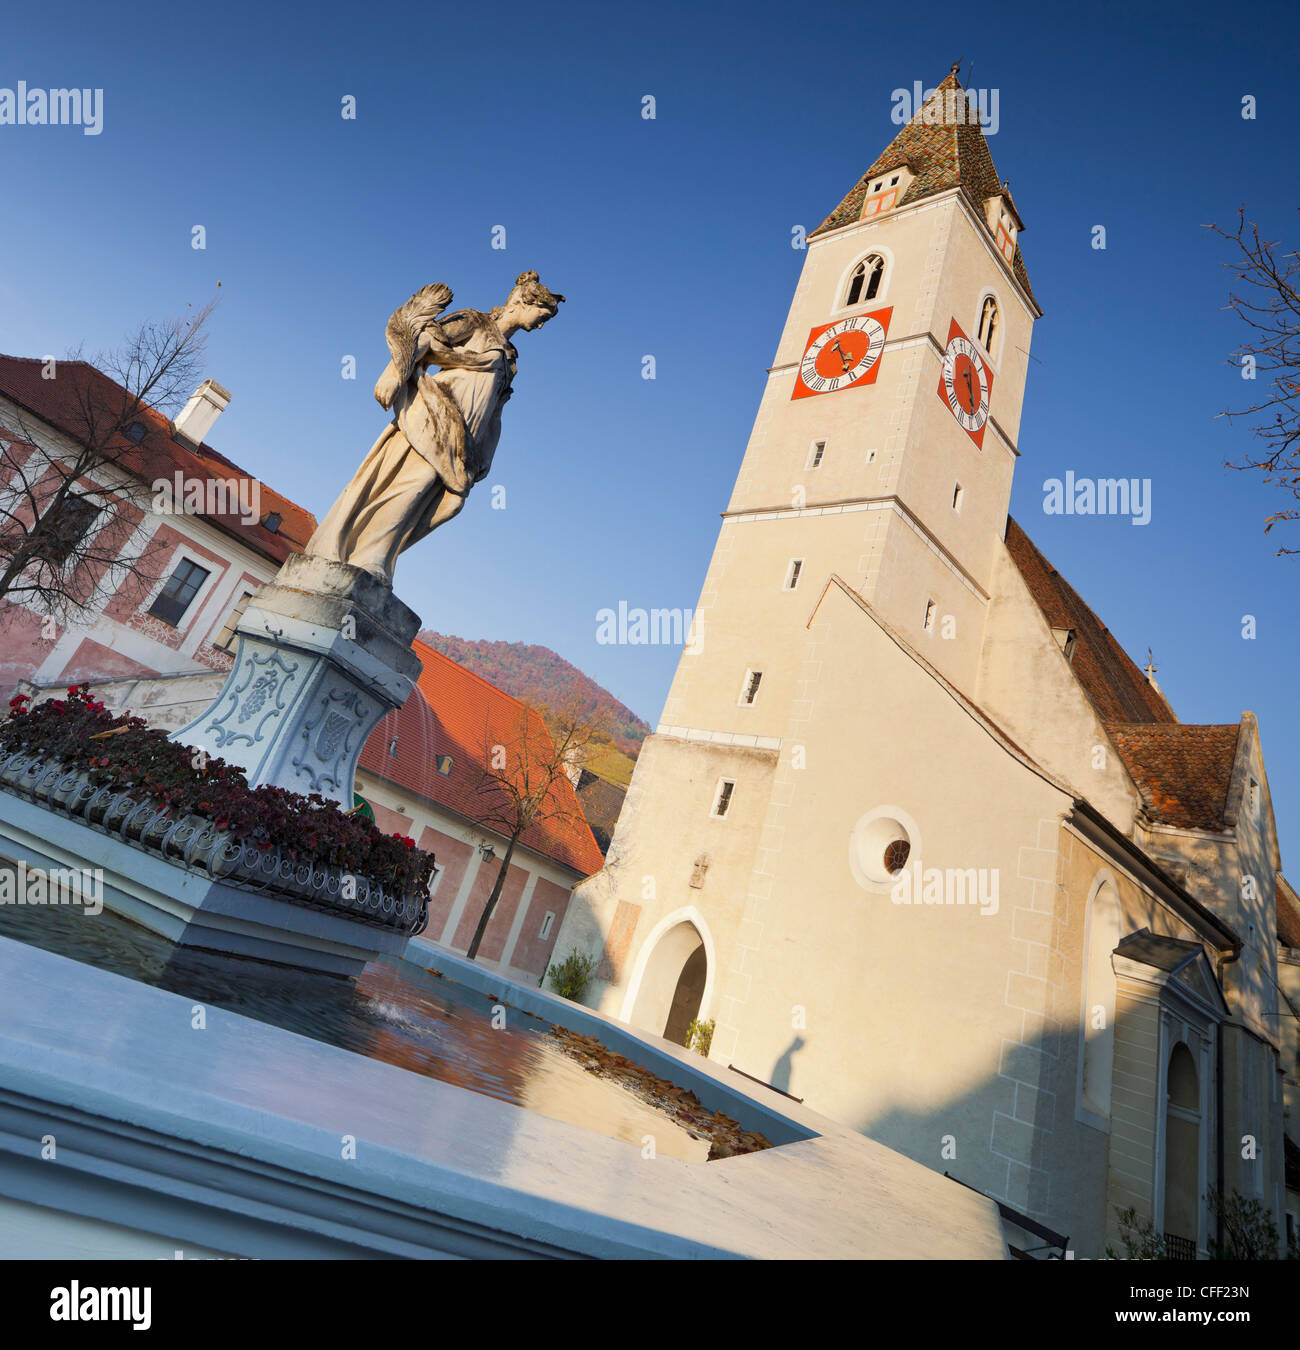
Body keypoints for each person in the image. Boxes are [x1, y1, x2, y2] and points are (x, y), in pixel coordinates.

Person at [304, 270, 565, 584]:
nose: (541, 323)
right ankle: (365, 556)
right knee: (411, 483)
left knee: (446, 502)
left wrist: (486, 453)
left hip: (465, 437)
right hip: (433, 413)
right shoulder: (476, 322)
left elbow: (496, 410)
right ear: (524, 301)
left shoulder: (510, 357)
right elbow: (425, 337)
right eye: (542, 314)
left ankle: (379, 553)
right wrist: (396, 372)